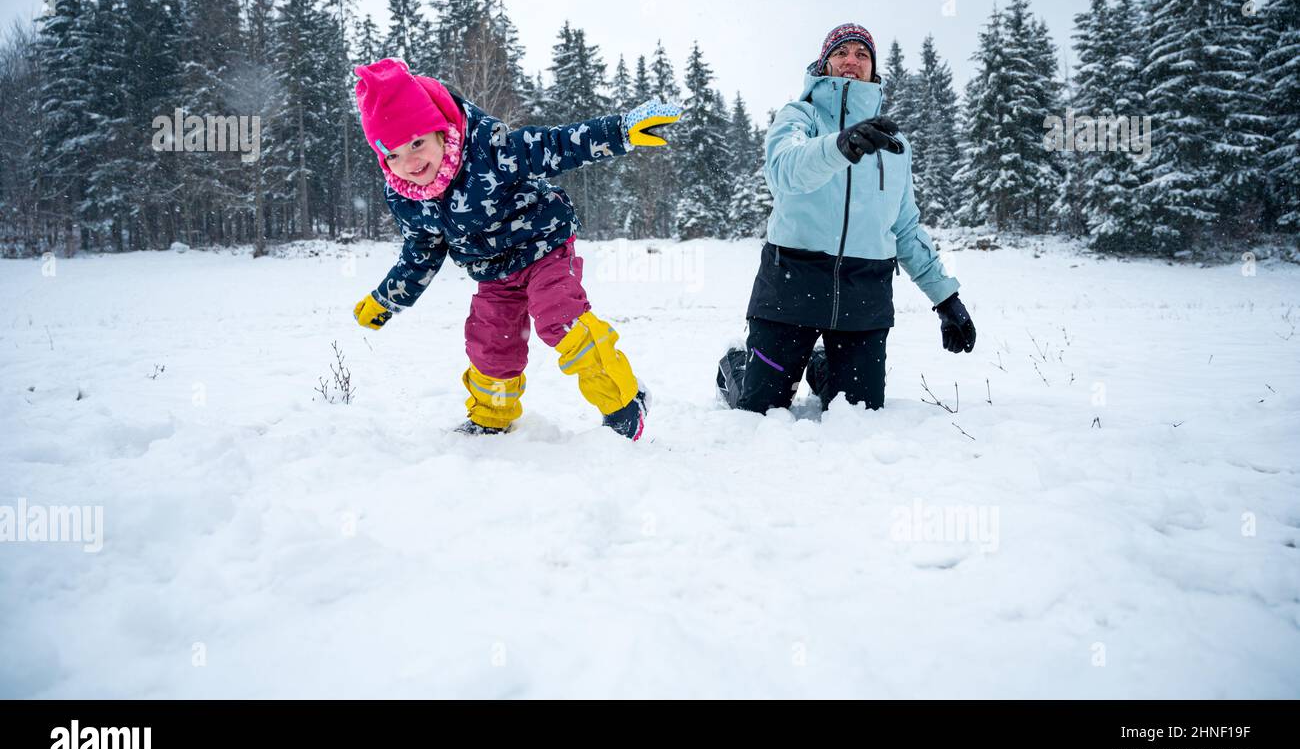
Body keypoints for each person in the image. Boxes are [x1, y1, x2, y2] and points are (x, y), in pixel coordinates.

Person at [350, 57, 681, 439]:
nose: (409, 162)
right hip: (492, 272)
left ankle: (624, 401)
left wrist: (620, 131)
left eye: (417, 143)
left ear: (440, 131)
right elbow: (421, 251)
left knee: (559, 317)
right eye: (392, 154)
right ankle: (491, 415)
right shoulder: (407, 197)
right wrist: (387, 298)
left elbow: (558, 144)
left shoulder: (490, 149)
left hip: (544, 246)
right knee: (490, 338)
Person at [717, 22, 976, 413]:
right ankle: (736, 364)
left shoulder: (894, 146)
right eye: (841, 52)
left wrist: (946, 299)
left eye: (862, 54)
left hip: (863, 291)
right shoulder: (798, 116)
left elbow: (904, 228)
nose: (851, 61)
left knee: (860, 411)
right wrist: (841, 146)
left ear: (873, 69)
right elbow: (784, 172)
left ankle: (822, 365)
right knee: (760, 409)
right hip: (791, 281)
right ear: (825, 65)